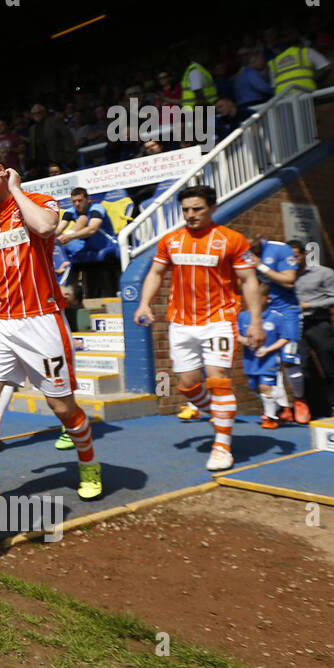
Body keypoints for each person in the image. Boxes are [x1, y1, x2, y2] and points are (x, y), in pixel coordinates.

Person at [0, 145, 101, 506]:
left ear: (1, 170)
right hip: (0, 322)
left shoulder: (39, 200)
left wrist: (15, 189)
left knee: (61, 406)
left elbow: (46, 227)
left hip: (41, 319)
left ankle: (89, 464)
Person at [132, 185, 263, 471]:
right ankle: (213, 411)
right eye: (186, 210)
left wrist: (255, 321)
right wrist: (143, 304)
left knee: (218, 379)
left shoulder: (232, 239)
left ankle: (222, 446)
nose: (190, 215)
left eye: (197, 209)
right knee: (187, 384)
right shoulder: (171, 240)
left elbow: (249, 281)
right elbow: (155, 273)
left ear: (212, 208)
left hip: (219, 320)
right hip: (180, 322)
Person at [249, 235, 307, 423]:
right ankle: (283, 407)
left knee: (289, 359)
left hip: (287, 311)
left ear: (258, 237)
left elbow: (289, 280)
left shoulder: (281, 249)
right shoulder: (243, 254)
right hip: (266, 312)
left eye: (250, 244)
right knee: (268, 362)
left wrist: (261, 266)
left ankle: (299, 399)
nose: (248, 248)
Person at [292, 240, 334, 416]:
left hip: (319, 324)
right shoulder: (286, 276)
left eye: (296, 256)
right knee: (301, 367)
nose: (293, 260)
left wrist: (310, 305)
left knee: (328, 366)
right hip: (296, 327)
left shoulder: (324, 273)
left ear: (305, 255)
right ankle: (310, 407)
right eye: (289, 257)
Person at [239, 283, 289, 429]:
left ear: (267, 299)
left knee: (265, 387)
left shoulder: (276, 317)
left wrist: (268, 350)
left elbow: (284, 338)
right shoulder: (243, 316)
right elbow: (235, 334)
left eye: (257, 298)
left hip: (269, 360)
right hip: (251, 361)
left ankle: (270, 418)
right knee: (256, 388)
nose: (253, 301)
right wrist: (245, 341)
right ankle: (276, 408)